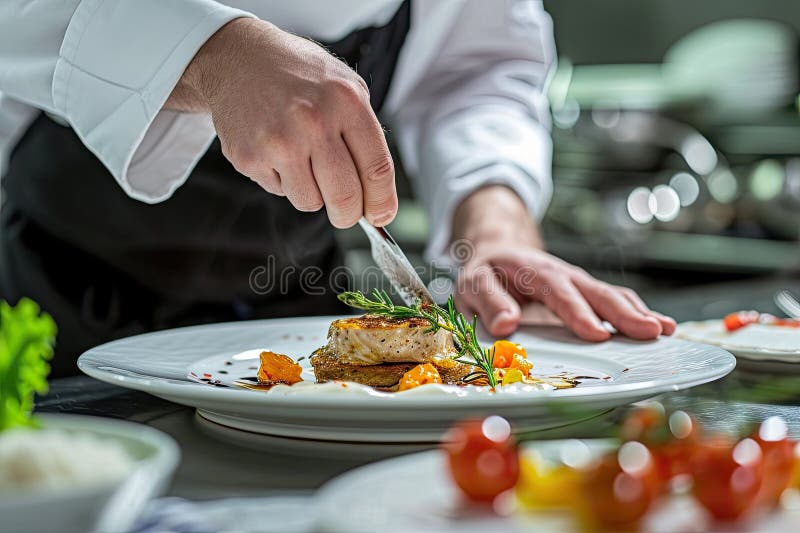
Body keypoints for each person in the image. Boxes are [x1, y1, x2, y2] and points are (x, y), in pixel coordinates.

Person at [0, 1, 674, 376]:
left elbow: (477, 64)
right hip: (58, 289)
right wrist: (211, 56)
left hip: (300, 318)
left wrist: (495, 224)